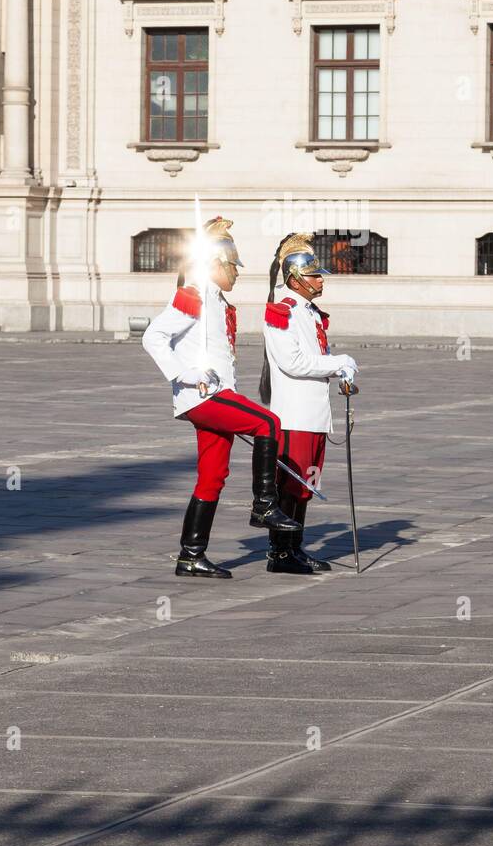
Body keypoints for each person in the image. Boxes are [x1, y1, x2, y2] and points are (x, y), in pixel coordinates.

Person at [143, 216, 300, 579]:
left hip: (216, 394)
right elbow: (153, 337)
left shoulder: (213, 298)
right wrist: (184, 372)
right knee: (268, 422)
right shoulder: (195, 293)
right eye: (233, 267)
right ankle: (263, 504)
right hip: (204, 396)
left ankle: (191, 555)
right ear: (215, 263)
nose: (237, 274)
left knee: (212, 477)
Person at [256, 232, 359, 574]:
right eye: (315, 275)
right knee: (291, 484)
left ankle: (294, 548)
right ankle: (280, 553)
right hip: (294, 414)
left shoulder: (310, 313)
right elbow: (293, 362)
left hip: (314, 414)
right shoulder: (281, 311)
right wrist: (337, 362)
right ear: (295, 280)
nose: (320, 281)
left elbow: (317, 358)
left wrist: (339, 371)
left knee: (306, 486)